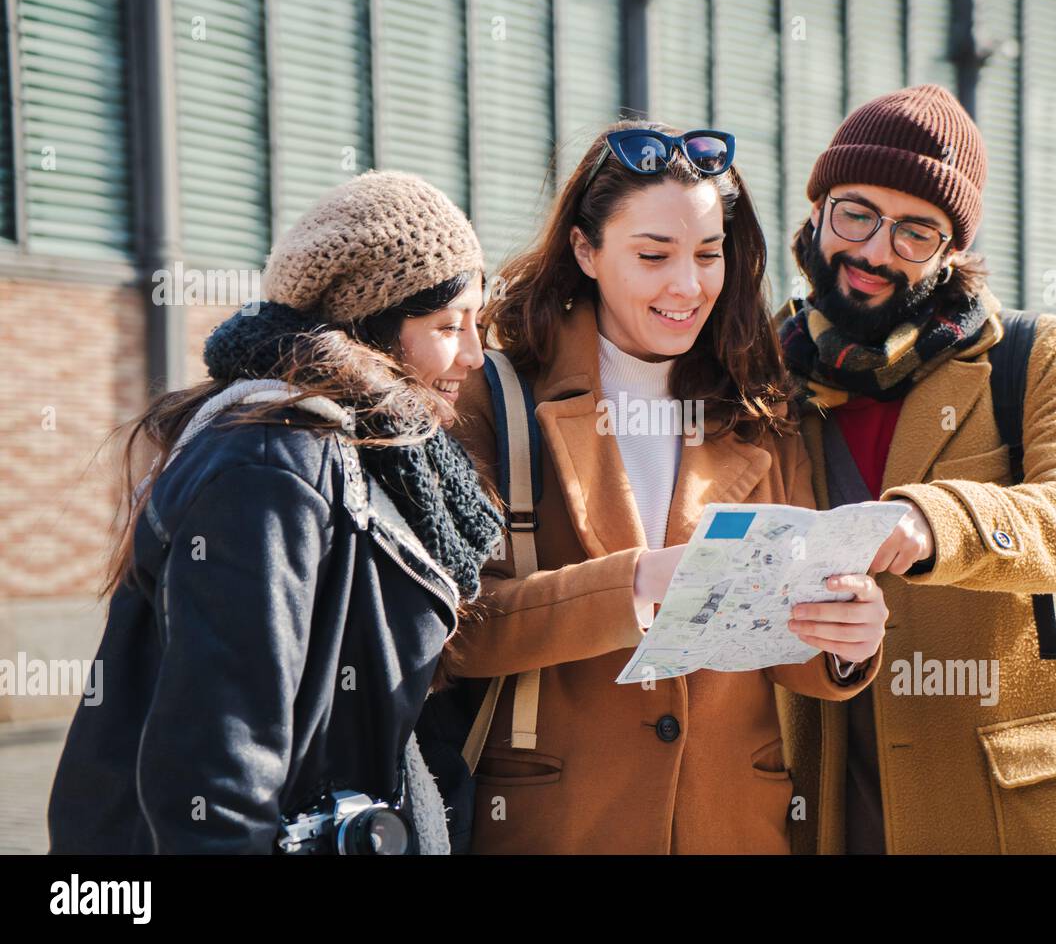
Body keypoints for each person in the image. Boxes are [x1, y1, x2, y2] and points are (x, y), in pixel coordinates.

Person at [443, 120, 889, 854]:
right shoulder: (497, 395)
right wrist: (638, 583)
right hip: (557, 823)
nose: (688, 286)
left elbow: (787, 642)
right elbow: (457, 631)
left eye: (709, 254)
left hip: (735, 825)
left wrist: (847, 638)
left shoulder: (761, 402)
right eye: (653, 255)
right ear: (585, 250)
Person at [46, 171, 504, 854]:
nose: (473, 355)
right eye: (447, 326)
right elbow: (216, 765)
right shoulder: (271, 465)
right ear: (369, 329)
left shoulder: (363, 453)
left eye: (477, 324)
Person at [776, 84, 1056, 854]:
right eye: (856, 213)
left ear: (951, 253)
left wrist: (934, 521)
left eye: (917, 231)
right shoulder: (766, 376)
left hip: (1024, 808)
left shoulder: (1034, 352)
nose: (876, 251)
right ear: (816, 212)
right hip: (837, 802)